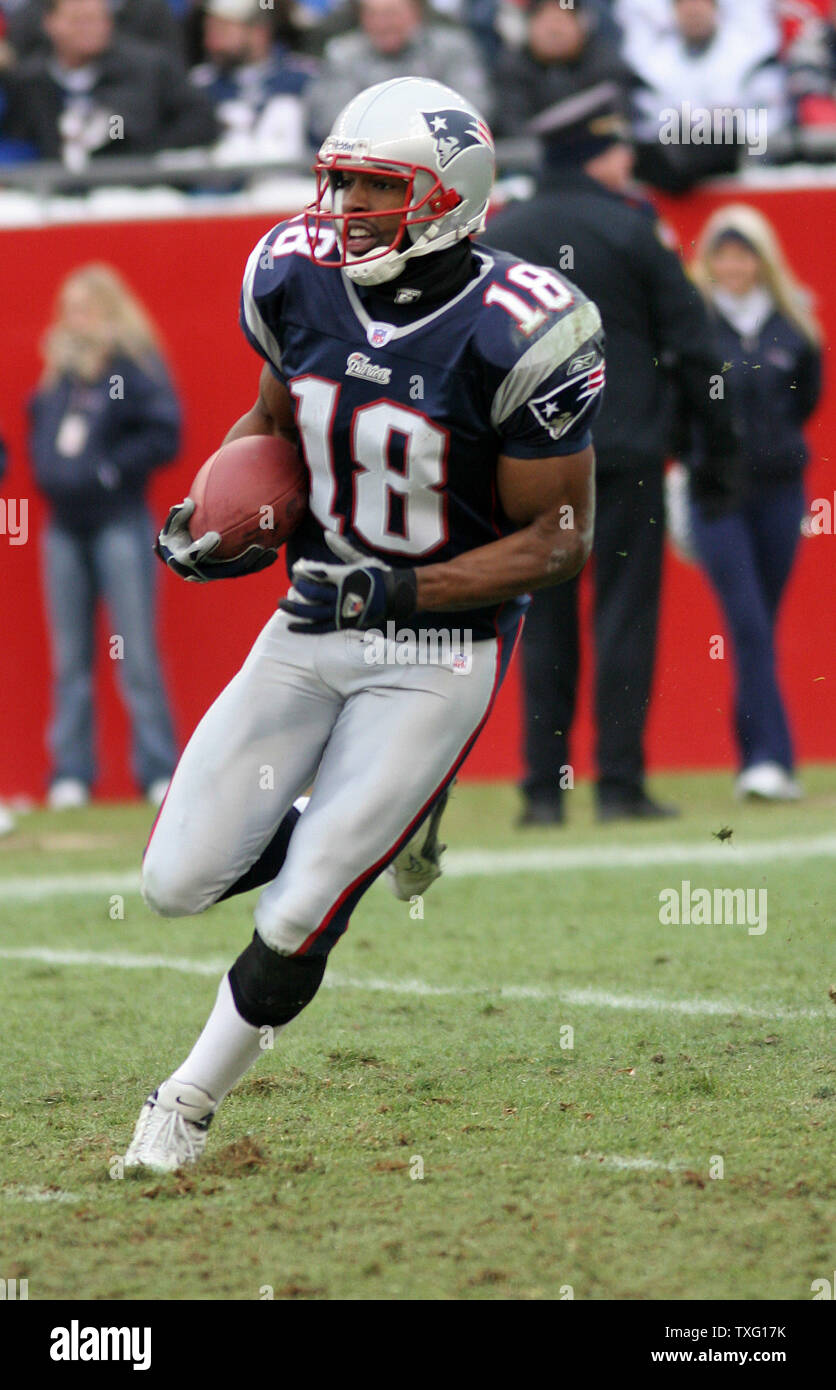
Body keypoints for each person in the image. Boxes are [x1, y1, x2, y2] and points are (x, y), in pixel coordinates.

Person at [121, 75, 605, 1172]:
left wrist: (402, 592)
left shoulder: (517, 327)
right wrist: (221, 515)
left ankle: (186, 1100)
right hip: (307, 621)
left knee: (299, 906)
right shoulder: (296, 276)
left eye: (371, 187)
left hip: (440, 646)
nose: (342, 207)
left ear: (446, 198)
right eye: (337, 180)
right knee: (171, 883)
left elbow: (559, 539)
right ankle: (385, 823)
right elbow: (272, 415)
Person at [486, 85, 741, 824]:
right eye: (619, 146)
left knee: (546, 618)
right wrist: (712, 454)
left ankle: (542, 791)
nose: (630, 158)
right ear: (598, 155)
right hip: (625, 452)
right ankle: (620, 786)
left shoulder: (509, 232)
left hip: (531, 459)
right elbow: (693, 350)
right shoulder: (636, 229)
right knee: (626, 617)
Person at [683, 204, 823, 800]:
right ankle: (770, 759)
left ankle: (759, 760)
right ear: (709, 261)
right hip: (717, 494)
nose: (733, 265)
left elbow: (805, 401)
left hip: (778, 492)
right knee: (747, 622)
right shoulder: (695, 323)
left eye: (743, 253)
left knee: (760, 624)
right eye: (723, 253)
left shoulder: (793, 328)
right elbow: (682, 399)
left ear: (761, 259)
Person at [29, 264, 180, 809]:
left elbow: (165, 431)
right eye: (68, 310)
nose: (75, 321)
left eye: (85, 309)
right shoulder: (61, 373)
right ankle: (71, 770)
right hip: (63, 528)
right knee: (70, 657)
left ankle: (158, 767)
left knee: (136, 651)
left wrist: (112, 470)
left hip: (119, 521)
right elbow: (41, 429)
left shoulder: (133, 368)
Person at [0, 0, 217, 166]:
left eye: (97, 19)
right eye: (78, 20)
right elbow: (18, 139)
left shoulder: (145, 68)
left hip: (129, 192)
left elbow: (199, 120)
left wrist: (143, 146)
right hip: (49, 195)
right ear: (50, 23)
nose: (90, 29)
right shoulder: (30, 81)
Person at [304, 0, 493, 147]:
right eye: (372, 15)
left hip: (439, 153)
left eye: (391, 14)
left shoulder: (452, 48)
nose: (382, 24)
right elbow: (332, 119)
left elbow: (474, 108)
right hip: (364, 160)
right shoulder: (342, 53)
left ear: (415, 13)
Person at [189, 0, 316, 164]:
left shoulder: (305, 77)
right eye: (208, 30)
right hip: (217, 185)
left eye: (222, 30)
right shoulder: (200, 83)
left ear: (259, 32)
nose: (211, 42)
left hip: (292, 182)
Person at [491, 0, 633, 139]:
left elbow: (620, 119)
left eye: (563, 20)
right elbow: (512, 128)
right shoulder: (512, 66)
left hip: (595, 152)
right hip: (539, 156)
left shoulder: (604, 61)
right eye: (545, 20)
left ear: (582, 25)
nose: (555, 30)